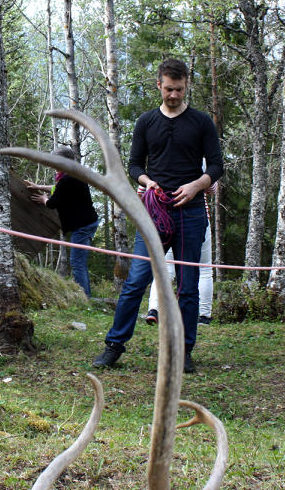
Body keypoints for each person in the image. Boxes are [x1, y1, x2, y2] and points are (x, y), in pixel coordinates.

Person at [93, 58, 223, 373]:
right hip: (154, 213)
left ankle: (183, 351)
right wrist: (146, 181)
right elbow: (135, 164)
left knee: (188, 285)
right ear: (158, 85)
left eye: (179, 89)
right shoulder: (146, 122)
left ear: (187, 85)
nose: (174, 95)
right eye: (168, 89)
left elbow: (217, 165)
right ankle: (114, 346)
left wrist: (197, 185)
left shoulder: (201, 122)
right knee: (137, 280)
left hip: (191, 214)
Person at [28, 146, 99, 297]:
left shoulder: (67, 179)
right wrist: (38, 186)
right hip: (87, 223)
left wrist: (44, 199)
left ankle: (85, 298)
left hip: (83, 226)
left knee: (77, 263)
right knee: (80, 262)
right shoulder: (73, 174)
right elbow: (57, 188)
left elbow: (53, 202)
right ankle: (87, 296)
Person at [145, 198, 215, 325]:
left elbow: (142, 193)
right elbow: (211, 188)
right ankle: (203, 315)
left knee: (165, 269)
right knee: (204, 268)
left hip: (164, 217)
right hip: (195, 219)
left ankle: (154, 309)